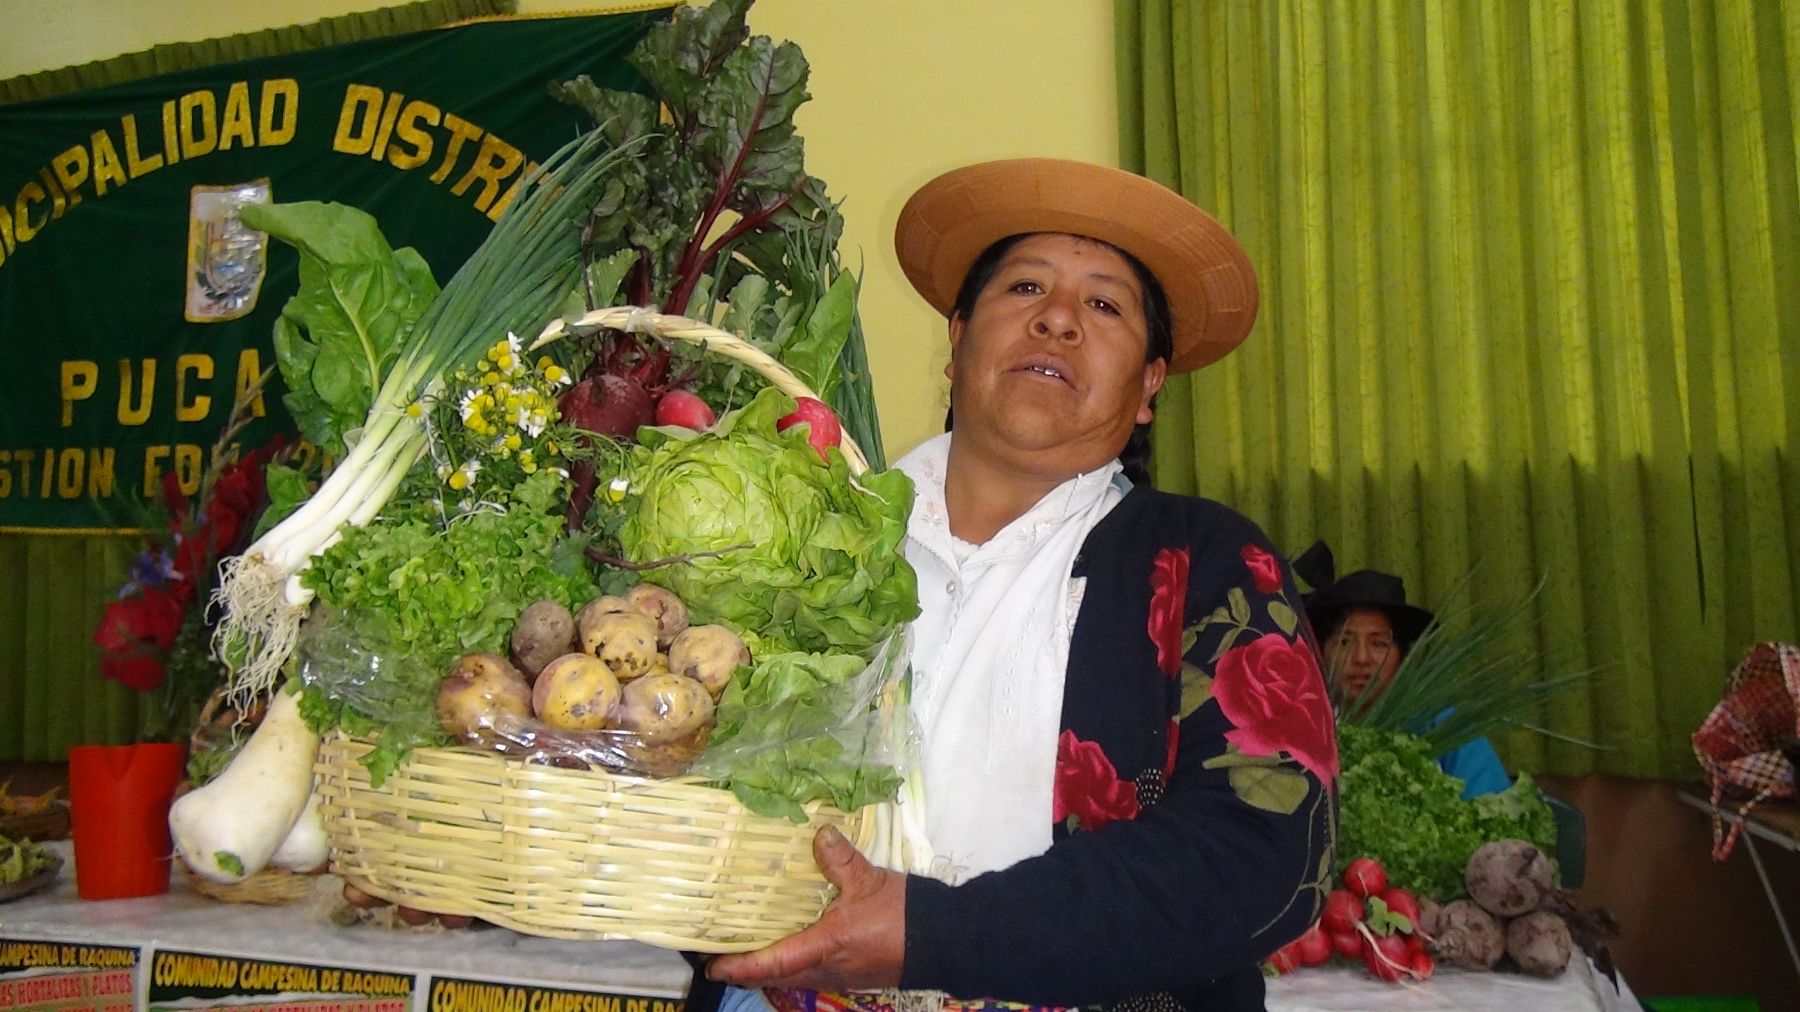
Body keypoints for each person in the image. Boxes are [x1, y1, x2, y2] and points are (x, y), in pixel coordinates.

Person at [704, 159, 1335, 1011]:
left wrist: (936, 935)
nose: (1059, 321)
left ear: (1150, 385)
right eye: (1026, 287)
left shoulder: (1208, 563)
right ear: (957, 340)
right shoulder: (814, 539)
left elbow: (1265, 852)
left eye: (1105, 305)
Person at [1293, 541, 1510, 799]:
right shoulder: (1300, 730)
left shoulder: (1442, 726)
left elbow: (1493, 812)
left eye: (1379, 643)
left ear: (1402, 657)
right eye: (1344, 641)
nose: (1361, 658)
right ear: (1321, 653)